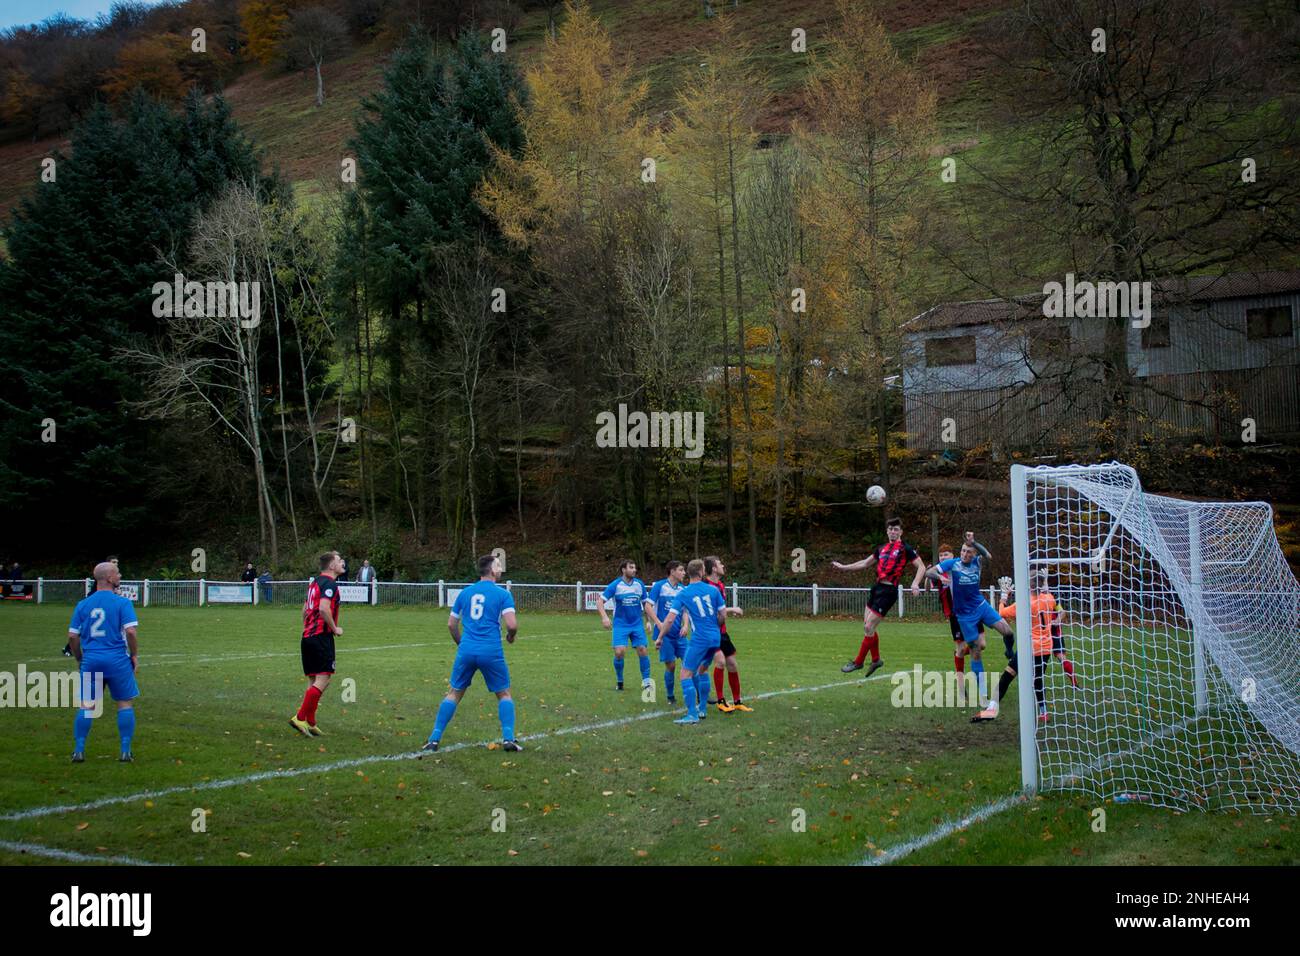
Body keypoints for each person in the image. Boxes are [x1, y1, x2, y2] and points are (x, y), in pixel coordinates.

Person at [419, 554, 522, 752]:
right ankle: (509, 739)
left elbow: (451, 624)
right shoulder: (503, 594)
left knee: (454, 693)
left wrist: (462, 643)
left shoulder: (465, 593)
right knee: (503, 693)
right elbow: (512, 624)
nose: (501, 569)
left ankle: (434, 739)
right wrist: (511, 636)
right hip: (491, 650)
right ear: (491, 570)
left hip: (467, 649)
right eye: (498, 565)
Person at [926, 531, 1014, 712]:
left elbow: (988, 555)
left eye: (969, 552)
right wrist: (940, 576)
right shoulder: (953, 564)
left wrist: (975, 542)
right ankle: (982, 695)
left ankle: (1009, 651)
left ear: (974, 555)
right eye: (963, 551)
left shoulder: (976, 562)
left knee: (1008, 632)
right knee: (975, 651)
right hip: (964, 615)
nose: (965, 554)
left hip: (981, 605)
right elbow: (929, 571)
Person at [832, 517, 927, 677]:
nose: (893, 531)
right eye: (890, 529)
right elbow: (864, 563)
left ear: (901, 532)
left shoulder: (905, 548)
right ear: (887, 531)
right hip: (877, 588)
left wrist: (916, 583)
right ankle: (876, 659)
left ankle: (858, 662)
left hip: (889, 592)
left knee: (869, 627)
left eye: (896, 529)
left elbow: (922, 567)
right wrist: (844, 567)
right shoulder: (882, 548)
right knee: (867, 626)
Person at [67, 561, 140, 763]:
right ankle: (125, 751)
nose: (120, 576)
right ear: (109, 578)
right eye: (117, 573)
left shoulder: (83, 604)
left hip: (91, 660)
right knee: (124, 704)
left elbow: (73, 636)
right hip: (117, 659)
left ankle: (79, 750)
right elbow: (131, 631)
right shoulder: (122, 603)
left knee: (87, 706)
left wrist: (80, 658)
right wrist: (134, 655)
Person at [974, 570, 1065, 722]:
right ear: (1042, 583)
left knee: (1006, 677)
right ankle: (1043, 712)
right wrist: (1058, 618)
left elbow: (1001, 612)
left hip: (1030, 648)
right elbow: (1059, 609)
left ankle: (991, 709)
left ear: (1029, 584)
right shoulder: (1049, 598)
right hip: (1046, 647)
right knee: (1038, 679)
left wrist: (1004, 596)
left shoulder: (1024, 603)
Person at [657, 559, 727, 725]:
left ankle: (692, 714)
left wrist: (660, 637)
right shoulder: (713, 590)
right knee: (702, 671)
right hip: (715, 638)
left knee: (685, 674)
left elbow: (670, 619)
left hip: (700, 639)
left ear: (688, 573)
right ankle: (702, 709)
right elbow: (723, 615)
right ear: (702, 572)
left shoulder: (684, 593)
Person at [290, 552, 344, 737]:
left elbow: (305, 610)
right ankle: (300, 717)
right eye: (339, 560)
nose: (342, 562)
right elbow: (323, 608)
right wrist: (335, 628)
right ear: (331, 566)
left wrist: (308, 627)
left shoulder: (314, 584)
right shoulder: (329, 584)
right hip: (321, 637)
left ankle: (310, 722)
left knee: (314, 680)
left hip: (308, 636)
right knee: (324, 679)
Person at [936, 543, 983, 704]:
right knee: (965, 648)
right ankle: (963, 688)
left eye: (946, 554)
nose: (943, 557)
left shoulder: (960, 566)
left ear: (953, 556)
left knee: (981, 645)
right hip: (956, 616)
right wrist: (933, 577)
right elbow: (929, 584)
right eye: (941, 555)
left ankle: (959, 653)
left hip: (973, 611)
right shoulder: (941, 573)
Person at [598, 560, 653, 691]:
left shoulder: (639, 584)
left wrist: (648, 621)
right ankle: (620, 681)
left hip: (636, 624)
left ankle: (646, 682)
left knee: (643, 650)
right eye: (631, 567)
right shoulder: (616, 585)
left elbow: (646, 604)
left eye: (635, 567)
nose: (634, 570)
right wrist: (604, 617)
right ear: (623, 569)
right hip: (620, 624)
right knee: (619, 652)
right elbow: (600, 602)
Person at [704, 556, 749, 712]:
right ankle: (721, 701)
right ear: (714, 568)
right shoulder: (705, 587)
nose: (723, 565)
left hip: (722, 632)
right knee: (720, 662)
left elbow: (720, 610)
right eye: (719, 564)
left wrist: (726, 612)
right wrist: (732, 609)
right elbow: (710, 612)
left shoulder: (721, 586)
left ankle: (737, 702)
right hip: (710, 633)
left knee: (732, 664)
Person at [647, 561, 689, 704]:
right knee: (671, 666)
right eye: (681, 570)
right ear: (672, 571)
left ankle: (698, 695)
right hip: (665, 635)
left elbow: (684, 610)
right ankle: (670, 696)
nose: (684, 573)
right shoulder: (659, 586)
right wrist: (659, 624)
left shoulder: (683, 589)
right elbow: (648, 606)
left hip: (680, 634)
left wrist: (686, 625)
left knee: (690, 662)